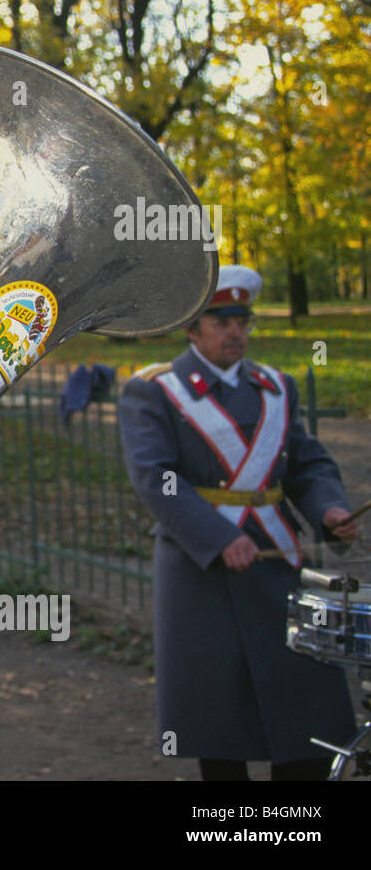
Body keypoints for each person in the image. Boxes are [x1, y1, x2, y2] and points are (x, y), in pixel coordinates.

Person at [118, 264, 360, 781]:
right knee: (219, 729)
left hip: (277, 567)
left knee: (306, 722)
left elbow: (307, 463)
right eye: (221, 320)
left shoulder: (276, 387)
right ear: (191, 328)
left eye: (242, 321)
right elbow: (155, 478)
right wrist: (219, 536)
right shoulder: (155, 391)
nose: (236, 332)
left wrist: (328, 510)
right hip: (200, 570)